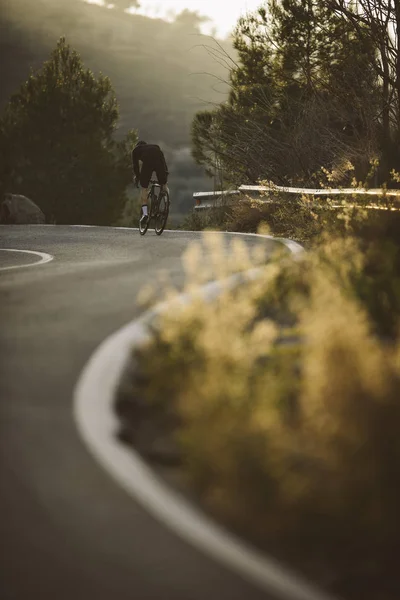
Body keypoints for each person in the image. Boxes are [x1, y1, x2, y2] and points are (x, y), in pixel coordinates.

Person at [132, 141, 169, 226]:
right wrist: (165, 172)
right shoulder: (155, 146)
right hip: (159, 161)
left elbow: (135, 165)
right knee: (163, 183)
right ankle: (167, 201)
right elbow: (163, 160)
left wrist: (138, 177)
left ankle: (145, 214)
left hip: (148, 162)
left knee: (144, 188)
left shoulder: (135, 150)